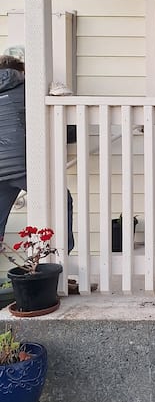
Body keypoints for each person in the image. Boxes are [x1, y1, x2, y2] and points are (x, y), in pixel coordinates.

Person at [0, 48, 74, 250]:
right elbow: (62, 130)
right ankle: (62, 252)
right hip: (23, 166)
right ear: (20, 72)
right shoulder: (29, 90)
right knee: (61, 199)